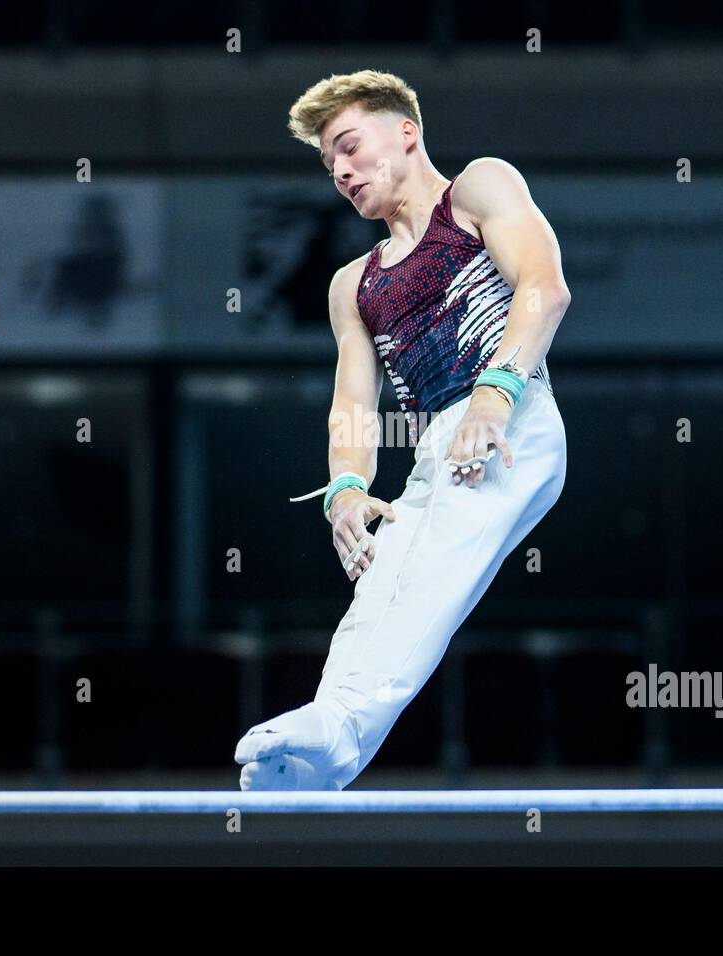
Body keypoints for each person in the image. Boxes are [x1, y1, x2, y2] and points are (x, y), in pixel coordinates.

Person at [235, 69, 570, 790]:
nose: (343, 172)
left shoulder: (478, 190)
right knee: (386, 579)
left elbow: (545, 288)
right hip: (439, 447)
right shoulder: (351, 285)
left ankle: (341, 725)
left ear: (406, 131)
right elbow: (352, 401)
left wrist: (494, 396)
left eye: (350, 147)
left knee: (433, 564)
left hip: (513, 420)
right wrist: (348, 487)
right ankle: (324, 755)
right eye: (331, 165)